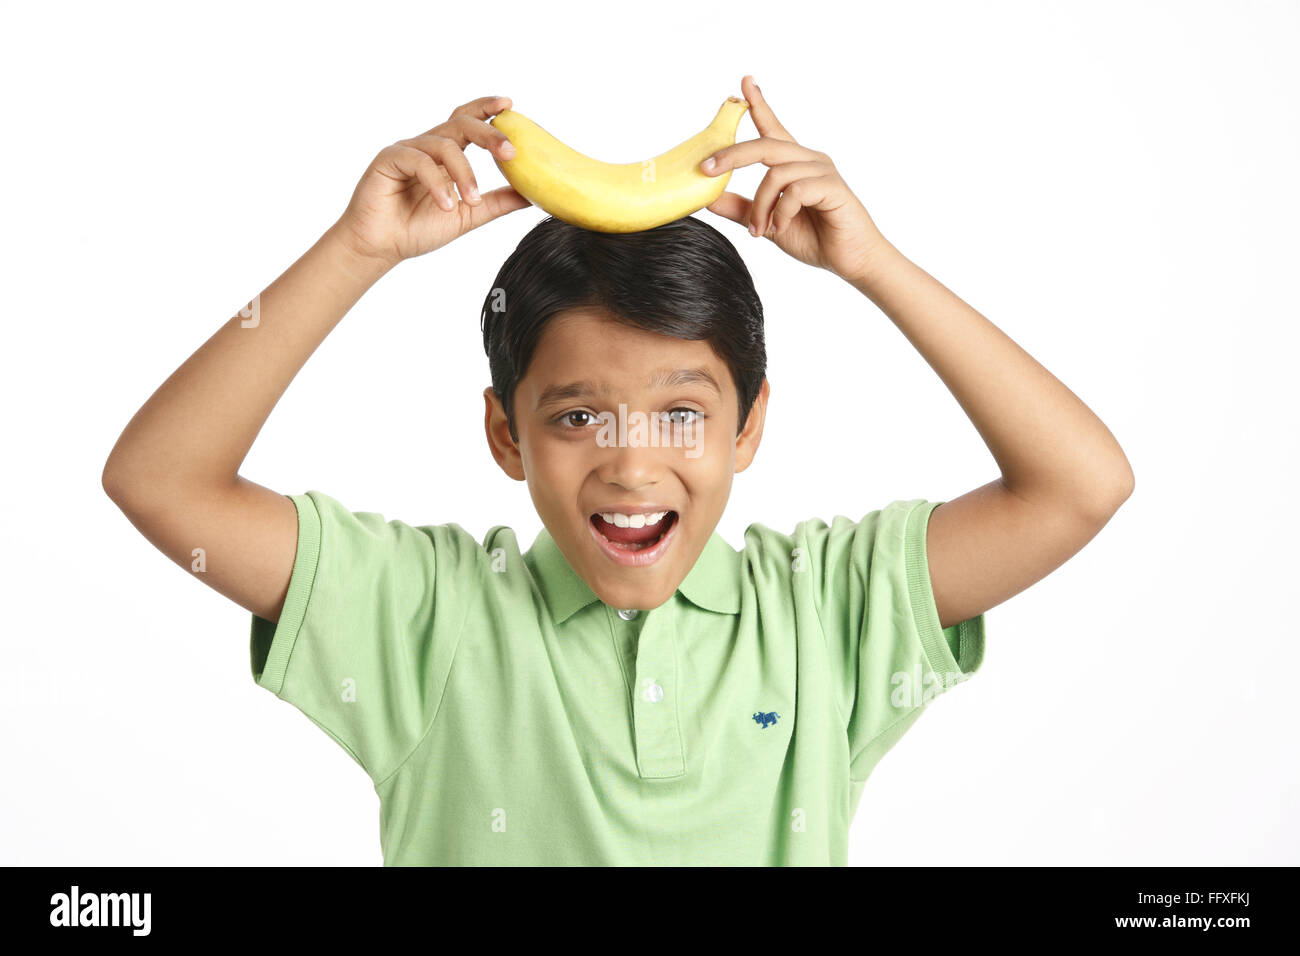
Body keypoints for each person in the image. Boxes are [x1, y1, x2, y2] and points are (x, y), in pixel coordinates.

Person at [102, 76, 1134, 865]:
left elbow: (1080, 483)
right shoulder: (427, 618)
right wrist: (356, 249)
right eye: (578, 414)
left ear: (749, 426)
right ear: (505, 436)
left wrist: (877, 265)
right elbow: (161, 481)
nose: (632, 463)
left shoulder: (826, 614)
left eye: (682, 412)